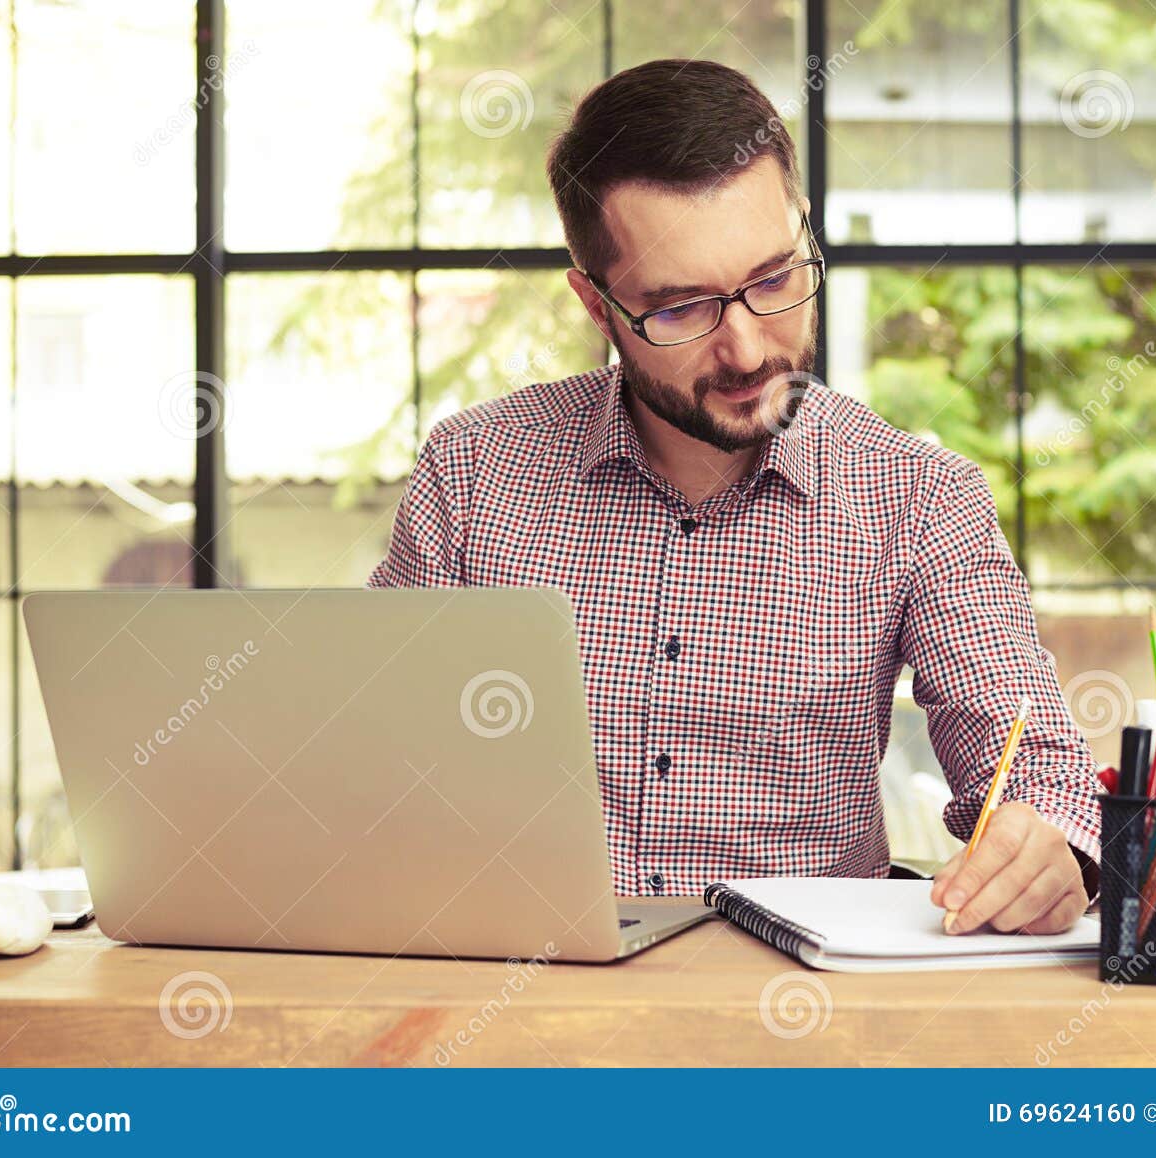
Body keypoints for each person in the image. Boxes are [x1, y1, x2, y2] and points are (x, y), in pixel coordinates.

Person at [369, 58, 1100, 935]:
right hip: (520, 1002)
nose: (750, 350)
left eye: (774, 279)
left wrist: (1048, 843)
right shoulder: (471, 473)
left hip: (801, 1027)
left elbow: (1040, 773)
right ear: (597, 308)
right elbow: (370, 765)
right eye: (680, 310)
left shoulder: (919, 496)